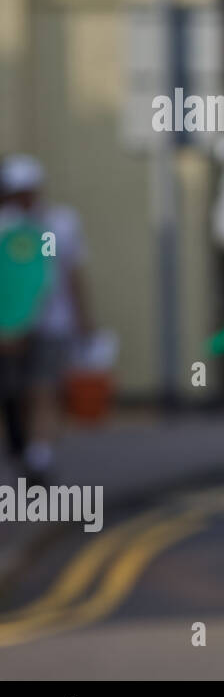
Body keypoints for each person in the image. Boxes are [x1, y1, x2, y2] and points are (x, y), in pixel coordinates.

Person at [0, 154, 93, 481]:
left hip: (53, 322)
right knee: (19, 392)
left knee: (43, 388)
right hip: (10, 327)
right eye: (16, 191)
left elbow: (72, 274)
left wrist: (84, 320)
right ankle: (29, 452)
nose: (23, 197)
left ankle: (39, 456)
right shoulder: (5, 226)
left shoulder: (62, 222)